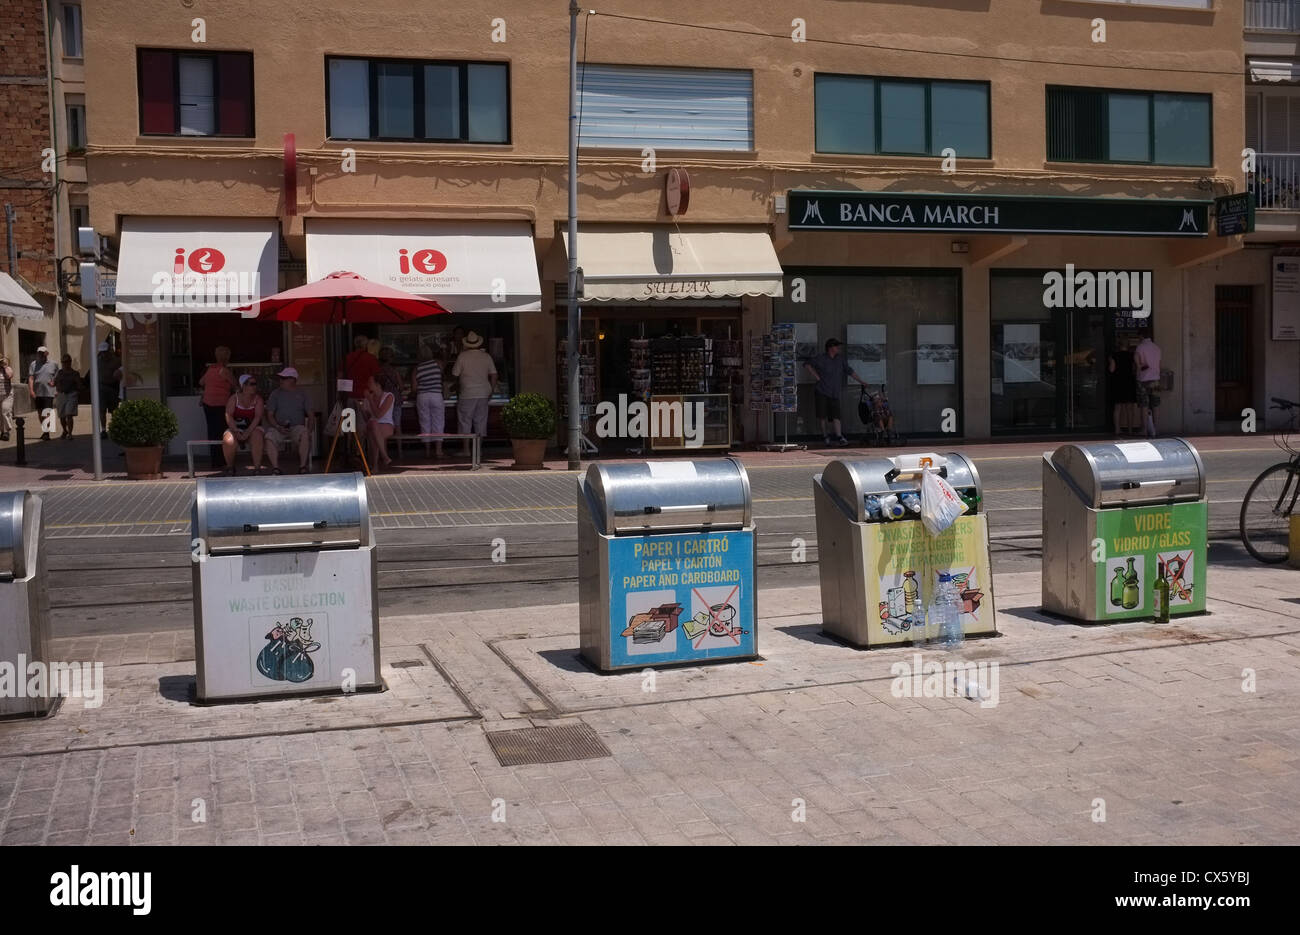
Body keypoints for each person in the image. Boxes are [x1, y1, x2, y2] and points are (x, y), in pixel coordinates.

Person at [804, 337, 866, 446]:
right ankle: (825, 436)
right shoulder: (821, 358)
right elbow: (807, 364)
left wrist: (861, 381)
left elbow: (849, 371)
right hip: (822, 390)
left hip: (834, 392)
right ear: (830, 348)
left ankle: (839, 436)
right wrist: (817, 377)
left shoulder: (840, 359)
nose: (838, 348)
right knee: (822, 415)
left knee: (836, 415)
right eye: (836, 346)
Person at [451, 330, 497, 456]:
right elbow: (494, 375)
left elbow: (454, 374)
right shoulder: (486, 356)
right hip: (483, 393)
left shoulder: (462, 356)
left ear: (467, 344)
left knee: (465, 421)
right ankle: (478, 450)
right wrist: (491, 389)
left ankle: (466, 450)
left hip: (467, 393)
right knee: (480, 422)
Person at [263, 367, 314, 474]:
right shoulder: (275, 394)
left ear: (292, 380)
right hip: (278, 426)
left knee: (305, 434)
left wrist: (309, 430)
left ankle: (302, 467)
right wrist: (277, 426)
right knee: (269, 437)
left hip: (297, 426)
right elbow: (270, 414)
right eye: (280, 378)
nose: (280, 381)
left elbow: (310, 414)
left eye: (283, 378)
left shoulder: (303, 394)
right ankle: (276, 468)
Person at [198, 346, 236, 465]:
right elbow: (235, 385)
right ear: (227, 357)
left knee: (212, 431)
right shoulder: (224, 371)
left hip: (208, 404)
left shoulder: (210, 368)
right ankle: (223, 459)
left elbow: (201, 382)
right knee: (223, 432)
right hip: (221, 404)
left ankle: (215, 460)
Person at [222, 374, 266, 475]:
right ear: (244, 386)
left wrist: (247, 432)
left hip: (253, 428)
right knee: (228, 441)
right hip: (235, 428)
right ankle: (230, 466)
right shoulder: (234, 398)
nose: (255, 386)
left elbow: (257, 417)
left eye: (255, 384)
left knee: (257, 437)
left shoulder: (258, 399)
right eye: (252, 384)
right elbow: (228, 415)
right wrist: (235, 431)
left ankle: (257, 468)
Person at [411, 343, 446, 458]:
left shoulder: (416, 368)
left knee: (424, 422)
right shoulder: (438, 363)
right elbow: (443, 377)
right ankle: (438, 451)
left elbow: (414, 388)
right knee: (438, 422)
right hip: (436, 395)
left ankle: (427, 451)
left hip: (422, 397)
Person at [1107, 337, 1139, 436]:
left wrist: (1110, 362)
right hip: (1129, 382)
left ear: (1119, 345)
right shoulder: (1132, 355)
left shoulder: (1114, 356)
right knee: (1129, 408)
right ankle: (1130, 430)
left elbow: (1111, 369)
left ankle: (1117, 429)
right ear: (1128, 345)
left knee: (1118, 407)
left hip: (1118, 382)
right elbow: (1135, 369)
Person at [363, 374, 396, 472]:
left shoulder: (389, 396)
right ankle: (385, 457)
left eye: (370, 382)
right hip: (372, 424)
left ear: (378, 384)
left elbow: (379, 415)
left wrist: (370, 400)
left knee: (374, 433)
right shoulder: (368, 397)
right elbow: (367, 418)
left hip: (386, 424)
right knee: (373, 425)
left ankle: (374, 466)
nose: (368, 384)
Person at [1134, 331, 1163, 438]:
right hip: (1155, 379)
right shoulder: (1157, 348)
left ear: (1141, 336)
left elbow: (1137, 364)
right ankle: (1156, 429)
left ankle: (1145, 430)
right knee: (1155, 405)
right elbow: (1160, 364)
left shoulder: (1140, 348)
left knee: (1144, 405)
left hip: (1143, 379)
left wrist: (1139, 369)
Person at [27, 346, 58, 440]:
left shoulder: (54, 364)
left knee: (47, 412)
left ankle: (47, 432)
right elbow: (31, 378)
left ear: (46, 353)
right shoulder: (33, 364)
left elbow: (58, 376)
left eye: (42, 353)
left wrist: (56, 387)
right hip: (38, 392)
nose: (41, 354)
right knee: (40, 413)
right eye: (39, 353)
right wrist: (31, 390)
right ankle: (45, 431)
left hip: (49, 392)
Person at [94, 342, 122, 439]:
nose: (104, 354)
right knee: (102, 410)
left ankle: (115, 428)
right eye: (102, 352)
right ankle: (103, 430)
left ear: (109, 351)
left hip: (113, 387)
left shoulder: (117, 361)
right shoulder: (96, 361)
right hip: (101, 387)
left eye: (105, 352)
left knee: (114, 409)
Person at [53, 354, 82, 439]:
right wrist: (52, 384)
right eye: (63, 362)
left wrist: (78, 387)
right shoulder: (59, 372)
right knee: (62, 416)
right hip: (61, 395)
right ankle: (64, 430)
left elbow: (79, 385)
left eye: (67, 362)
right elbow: (54, 382)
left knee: (69, 414)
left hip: (71, 394)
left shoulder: (75, 373)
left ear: (70, 362)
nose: (65, 364)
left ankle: (70, 433)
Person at [0, 356, 14, 441]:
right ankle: (2, 431)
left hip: (7, 395)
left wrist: (4, 367)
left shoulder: (7, 369)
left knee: (5, 411)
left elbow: (9, 376)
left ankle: (7, 431)